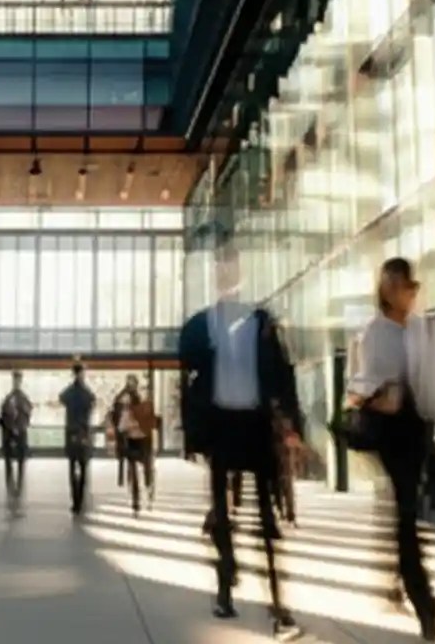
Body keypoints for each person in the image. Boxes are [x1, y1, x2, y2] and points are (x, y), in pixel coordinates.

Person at [178, 239, 302, 638]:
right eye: (220, 267)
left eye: (231, 266)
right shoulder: (202, 325)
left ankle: (277, 599)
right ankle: (225, 585)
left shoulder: (261, 321)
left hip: (254, 423)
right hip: (221, 427)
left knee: (266, 516)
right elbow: (188, 377)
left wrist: (292, 424)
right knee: (221, 513)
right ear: (215, 274)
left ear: (241, 273)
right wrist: (193, 433)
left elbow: (284, 374)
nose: (225, 273)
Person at [346, 258, 435, 641]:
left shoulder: (425, 331)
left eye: (404, 285)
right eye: (391, 285)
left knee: (407, 510)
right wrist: (380, 397)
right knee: (407, 512)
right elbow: (358, 388)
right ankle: (424, 602)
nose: (399, 291)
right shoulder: (374, 332)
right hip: (390, 429)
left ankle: (401, 577)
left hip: (418, 427)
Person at [117, 375, 157, 515]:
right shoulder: (146, 406)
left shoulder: (127, 410)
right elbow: (152, 423)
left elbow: (121, 427)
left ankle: (136, 501)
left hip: (132, 442)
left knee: (133, 472)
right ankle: (149, 490)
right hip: (145, 442)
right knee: (147, 468)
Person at [59, 363, 96, 516]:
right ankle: (78, 499)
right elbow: (92, 403)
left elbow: (61, 398)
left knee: (73, 466)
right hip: (83, 432)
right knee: (82, 465)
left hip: (71, 431)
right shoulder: (86, 393)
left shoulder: (69, 393)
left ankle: (76, 501)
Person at [0, 371, 34, 514]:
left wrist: (20, 425)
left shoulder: (23, 398)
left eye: (18, 380)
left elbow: (28, 413)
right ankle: (10, 485)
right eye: (15, 380)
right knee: (9, 461)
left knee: (20, 461)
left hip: (20, 433)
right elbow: (4, 415)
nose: (17, 383)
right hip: (10, 433)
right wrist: (11, 426)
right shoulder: (9, 399)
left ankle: (18, 485)